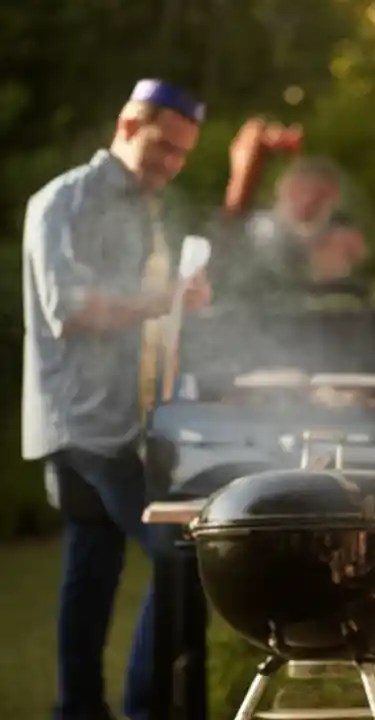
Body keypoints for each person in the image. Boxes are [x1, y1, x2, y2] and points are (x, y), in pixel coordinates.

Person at [21, 79, 214, 720]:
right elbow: (69, 310)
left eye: (182, 154)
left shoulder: (144, 212)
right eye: (164, 146)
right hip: (85, 424)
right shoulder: (62, 202)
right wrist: (165, 299)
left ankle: (77, 709)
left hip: (123, 421)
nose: (171, 164)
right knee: (181, 552)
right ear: (129, 124)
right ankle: (146, 708)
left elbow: (148, 313)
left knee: (92, 568)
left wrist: (186, 299)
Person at [213, 124, 369, 302]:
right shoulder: (258, 231)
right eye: (302, 190)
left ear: (333, 198)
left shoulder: (342, 239)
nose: (309, 200)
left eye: (319, 194)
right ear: (284, 190)